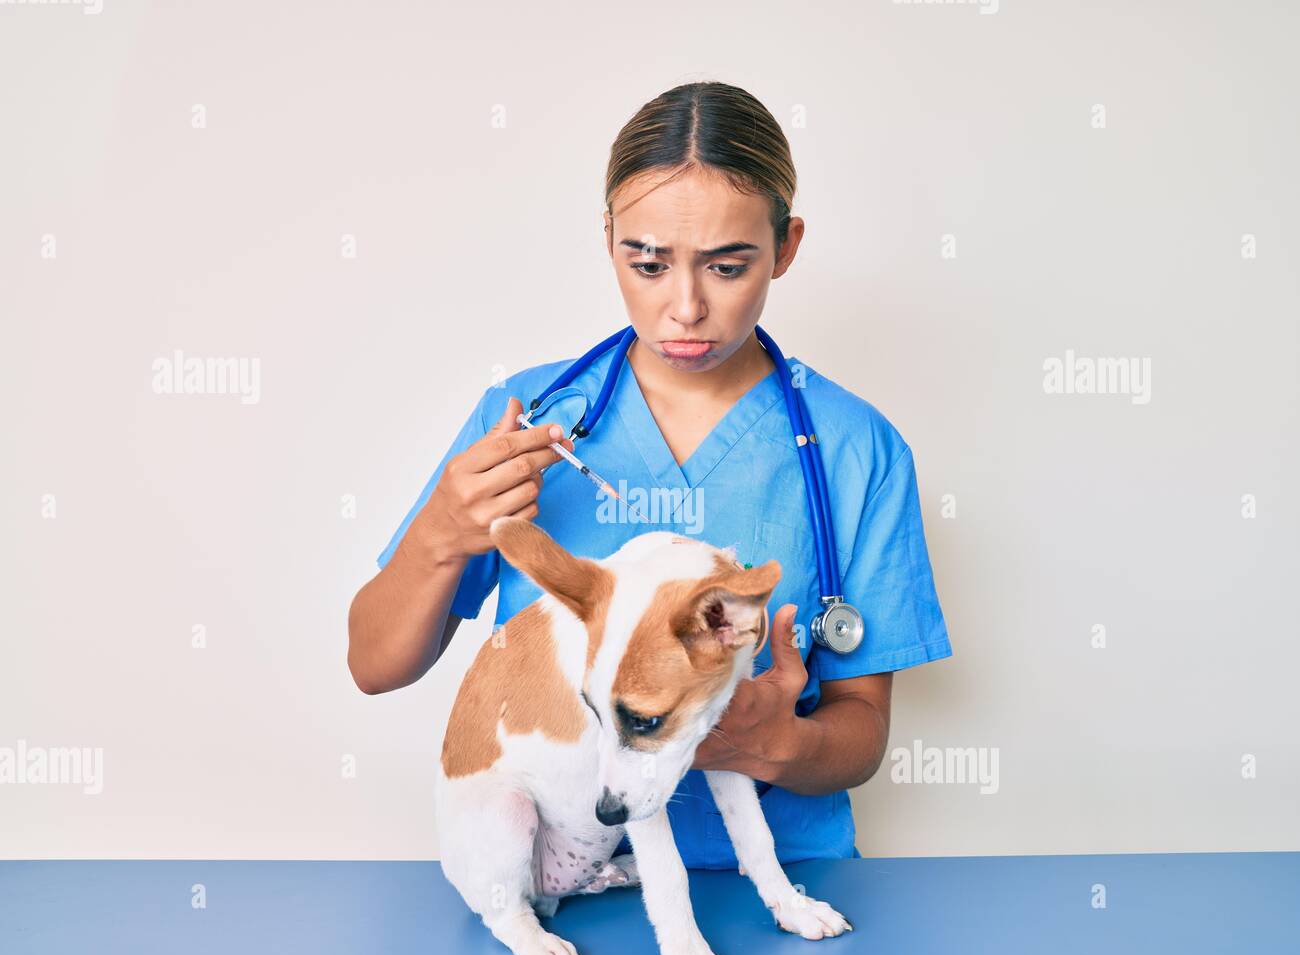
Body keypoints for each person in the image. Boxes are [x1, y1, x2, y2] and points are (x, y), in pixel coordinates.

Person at [347, 80, 952, 870]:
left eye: (728, 266)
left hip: (779, 883)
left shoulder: (857, 451)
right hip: (566, 886)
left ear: (787, 245)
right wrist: (439, 535)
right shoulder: (525, 419)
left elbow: (862, 730)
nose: (685, 307)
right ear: (608, 240)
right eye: (649, 262)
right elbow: (374, 665)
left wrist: (783, 744)